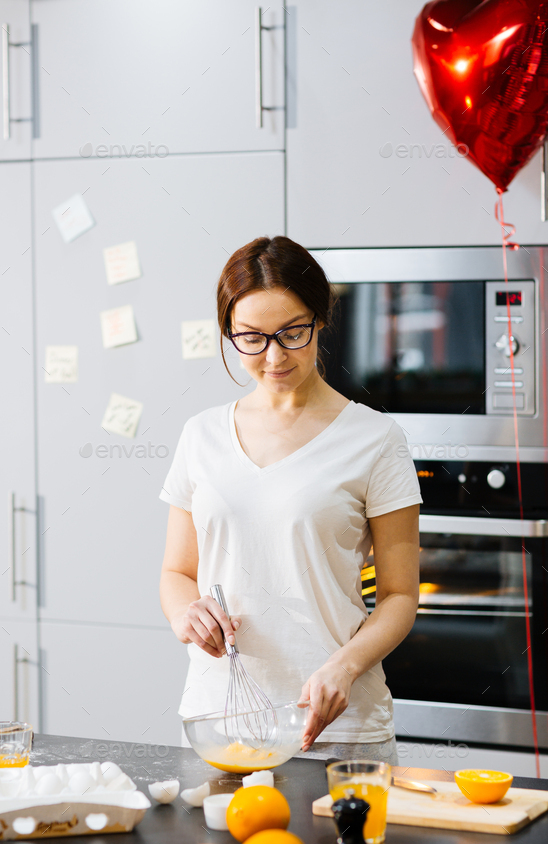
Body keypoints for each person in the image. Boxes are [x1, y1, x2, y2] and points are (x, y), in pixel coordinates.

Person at [159, 236, 422, 764]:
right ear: (229, 334)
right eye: (251, 338)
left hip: (340, 729)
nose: (274, 356)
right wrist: (186, 616)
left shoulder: (376, 439)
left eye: (291, 333)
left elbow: (400, 595)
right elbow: (176, 572)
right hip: (219, 722)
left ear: (320, 319)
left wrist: (345, 666)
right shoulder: (201, 434)